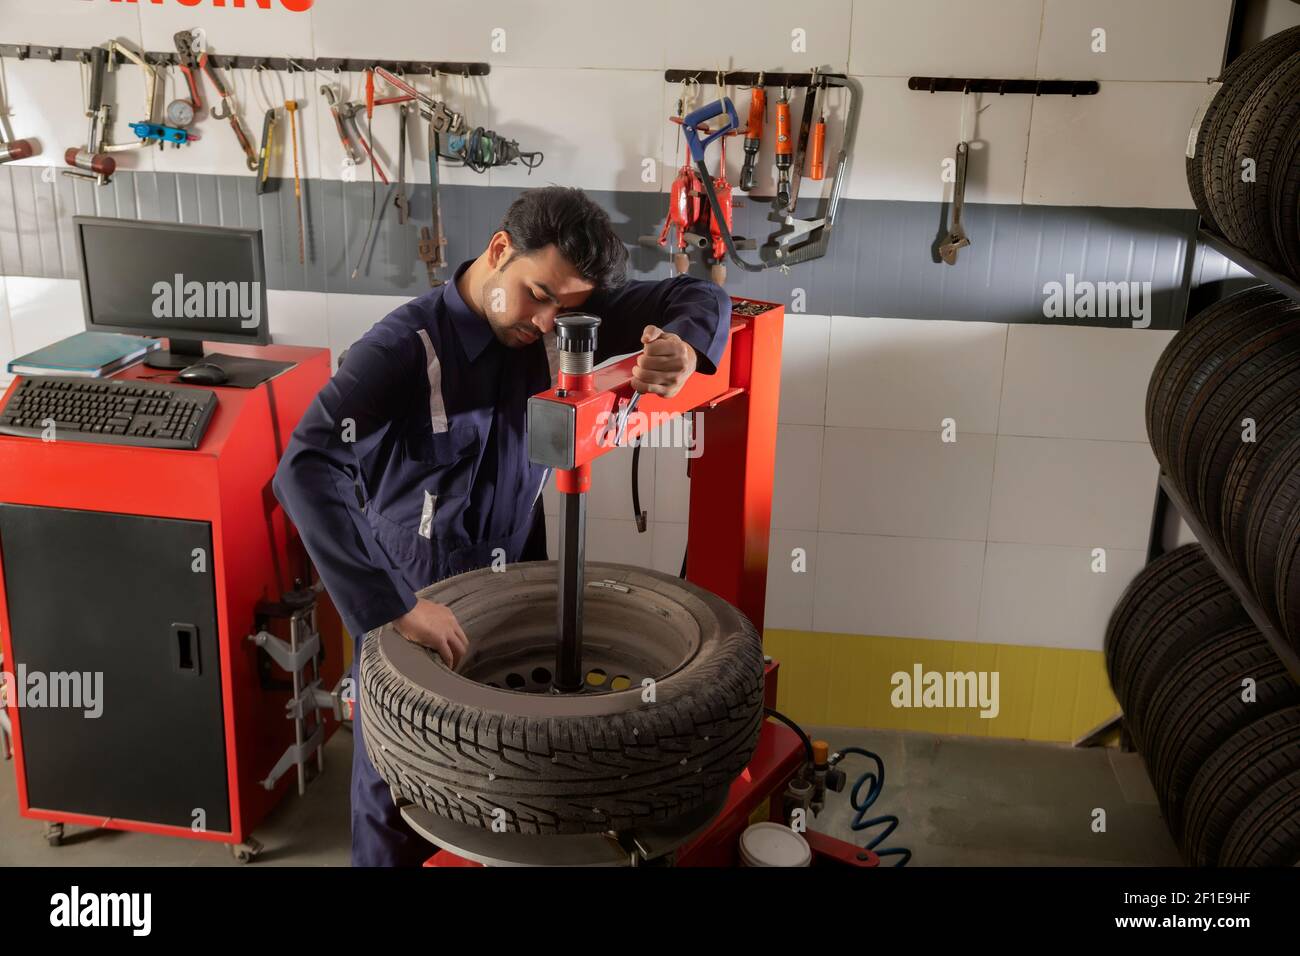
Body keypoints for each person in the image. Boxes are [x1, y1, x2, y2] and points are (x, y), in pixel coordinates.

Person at [272, 185, 731, 866]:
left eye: (567, 307)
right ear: (497, 251)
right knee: (401, 786)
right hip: (419, 603)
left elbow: (697, 295)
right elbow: (305, 466)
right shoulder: (406, 347)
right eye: (538, 295)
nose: (551, 323)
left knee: (512, 787)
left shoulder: (562, 313)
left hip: (516, 585)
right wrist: (395, 608)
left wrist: (685, 349)